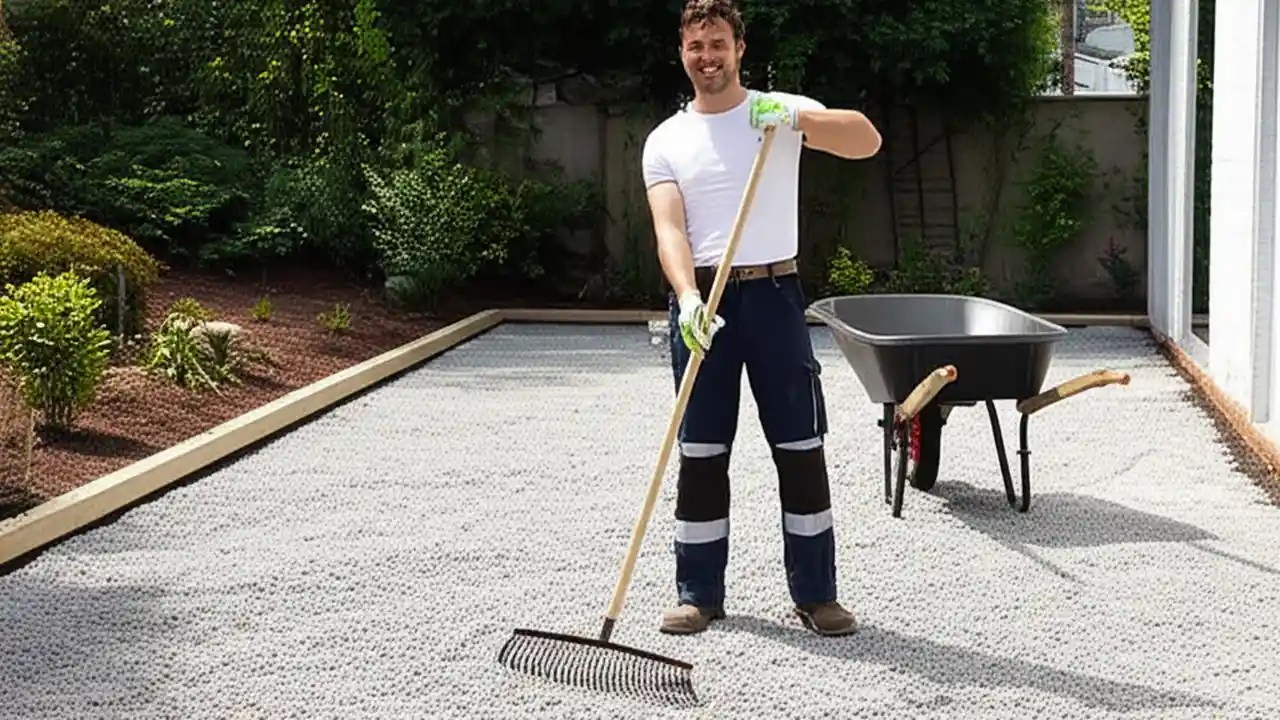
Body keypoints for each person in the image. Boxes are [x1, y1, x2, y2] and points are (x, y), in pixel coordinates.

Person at [640, 0, 882, 637]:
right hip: (705, 306)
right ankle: (698, 592)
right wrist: (688, 297)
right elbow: (670, 230)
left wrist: (800, 117)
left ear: (739, 47)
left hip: (775, 295)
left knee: (799, 445)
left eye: (718, 43)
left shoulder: (775, 114)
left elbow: (866, 140)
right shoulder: (666, 140)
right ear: (683, 53)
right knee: (700, 450)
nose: (707, 57)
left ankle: (817, 594)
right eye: (696, 46)